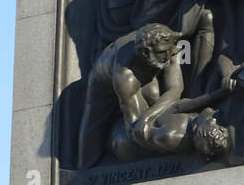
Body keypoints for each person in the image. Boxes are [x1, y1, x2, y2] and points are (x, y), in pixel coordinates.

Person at [78, 23, 184, 168]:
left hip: (141, 67)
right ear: (146, 53)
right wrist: (153, 129)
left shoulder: (166, 45)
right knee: (94, 128)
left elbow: (176, 88)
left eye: (168, 52)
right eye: (161, 53)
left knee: (154, 97)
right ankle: (85, 166)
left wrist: (149, 116)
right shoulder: (126, 76)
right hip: (103, 86)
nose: (167, 57)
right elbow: (136, 128)